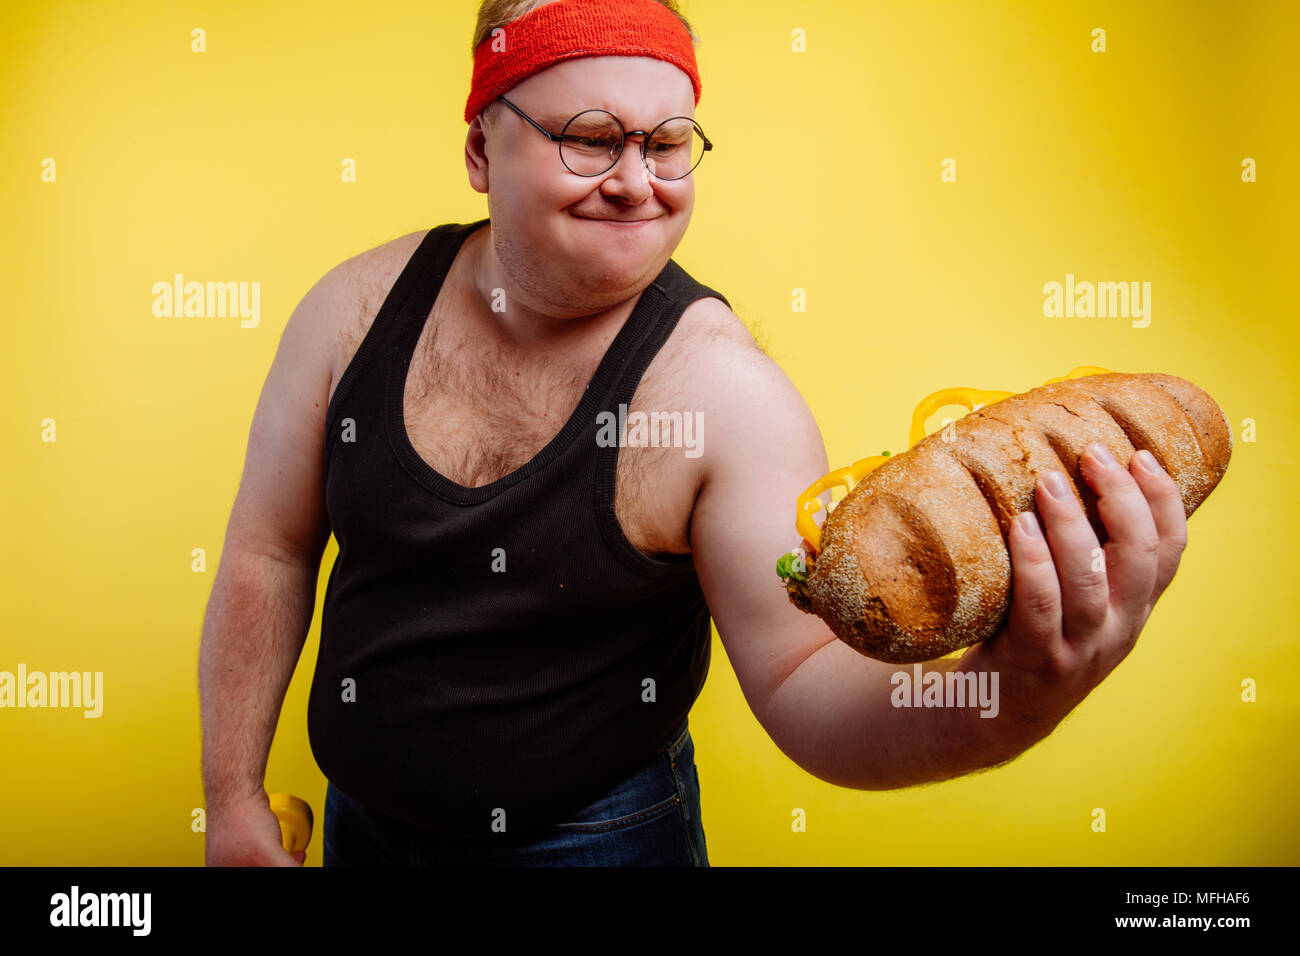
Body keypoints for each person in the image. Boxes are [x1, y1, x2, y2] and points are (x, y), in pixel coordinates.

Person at [199, 0, 1190, 867]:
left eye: (667, 141)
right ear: (477, 153)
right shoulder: (351, 313)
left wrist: (1012, 694)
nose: (637, 179)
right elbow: (268, 550)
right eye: (589, 136)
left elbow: (805, 682)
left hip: (598, 842)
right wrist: (234, 793)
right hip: (358, 829)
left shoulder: (724, 396)